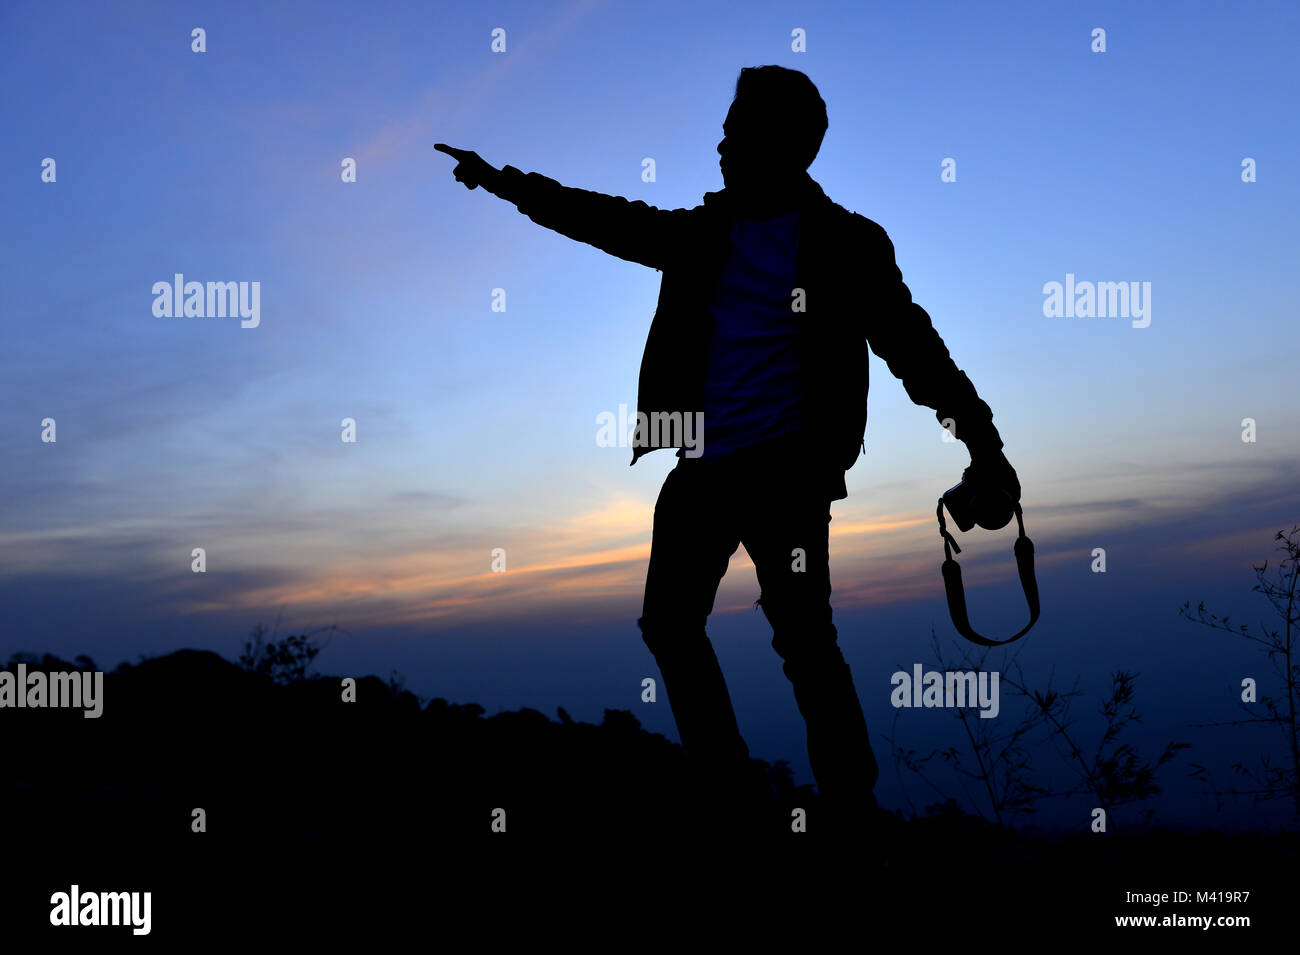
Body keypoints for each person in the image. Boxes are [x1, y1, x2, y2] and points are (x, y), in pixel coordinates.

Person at [436, 65, 1020, 843]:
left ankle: (852, 824)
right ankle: (734, 801)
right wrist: (505, 183)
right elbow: (605, 219)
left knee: (806, 644)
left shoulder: (848, 245)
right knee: (670, 626)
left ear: (784, 145)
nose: (719, 142)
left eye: (736, 128)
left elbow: (918, 352)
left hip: (788, 476)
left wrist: (984, 443)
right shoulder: (701, 235)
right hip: (702, 471)